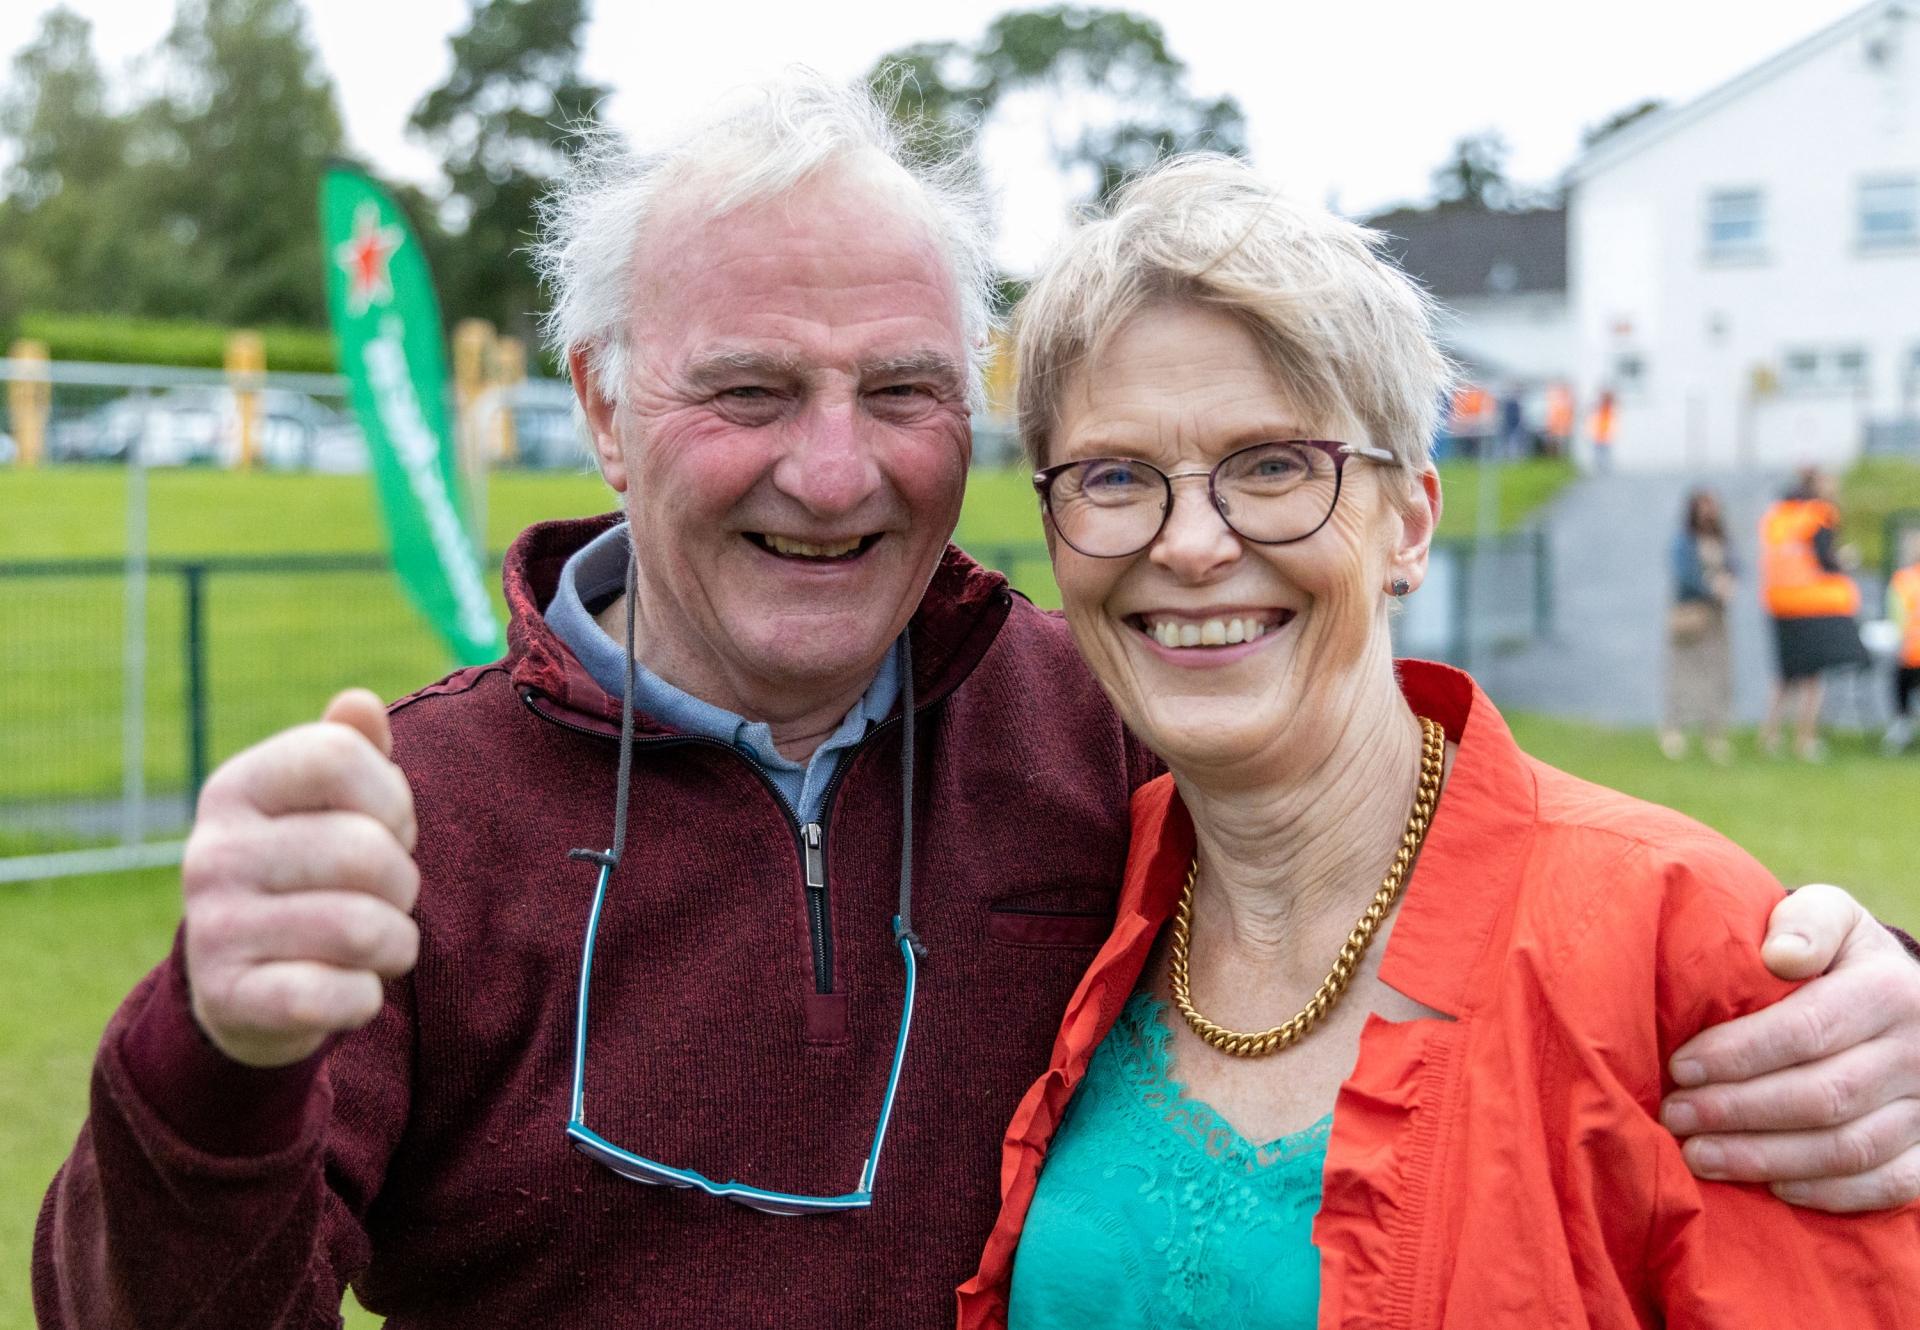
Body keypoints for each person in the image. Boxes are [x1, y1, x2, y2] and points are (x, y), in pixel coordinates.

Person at [30, 76, 1920, 1330]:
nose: (835, 472)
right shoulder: (428, 818)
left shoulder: (1101, 725)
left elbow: (1515, 893)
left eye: (904, 391)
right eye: (751, 391)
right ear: (601, 408)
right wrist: (217, 1041)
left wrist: (1863, 986)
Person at [958, 155, 1920, 1328]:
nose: (1194, 543)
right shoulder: (1047, 881)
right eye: (1116, 475)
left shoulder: (1681, 945)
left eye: (1273, 465)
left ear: (1409, 520)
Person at [1758, 466, 1868, 762]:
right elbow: (1825, 560)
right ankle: (1805, 740)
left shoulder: (1779, 514)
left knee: (1786, 675)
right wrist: (1845, 560)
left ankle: (1769, 735)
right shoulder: (1819, 514)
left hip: (1780, 603)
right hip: (1814, 604)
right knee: (1811, 679)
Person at [1660, 488, 1737, 763]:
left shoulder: (1720, 538)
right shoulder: (1684, 541)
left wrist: (1729, 582)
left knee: (1718, 673)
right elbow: (1685, 574)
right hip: (1691, 614)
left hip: (1717, 617)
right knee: (1684, 672)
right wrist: (1711, 587)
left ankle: (1714, 733)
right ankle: (1674, 729)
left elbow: (1734, 564)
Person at [1887, 529, 1920, 754]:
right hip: (1911, 651)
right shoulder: (1904, 579)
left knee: (1900, 681)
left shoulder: (1902, 579)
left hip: (1909, 652)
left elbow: (1895, 619)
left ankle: (1902, 722)